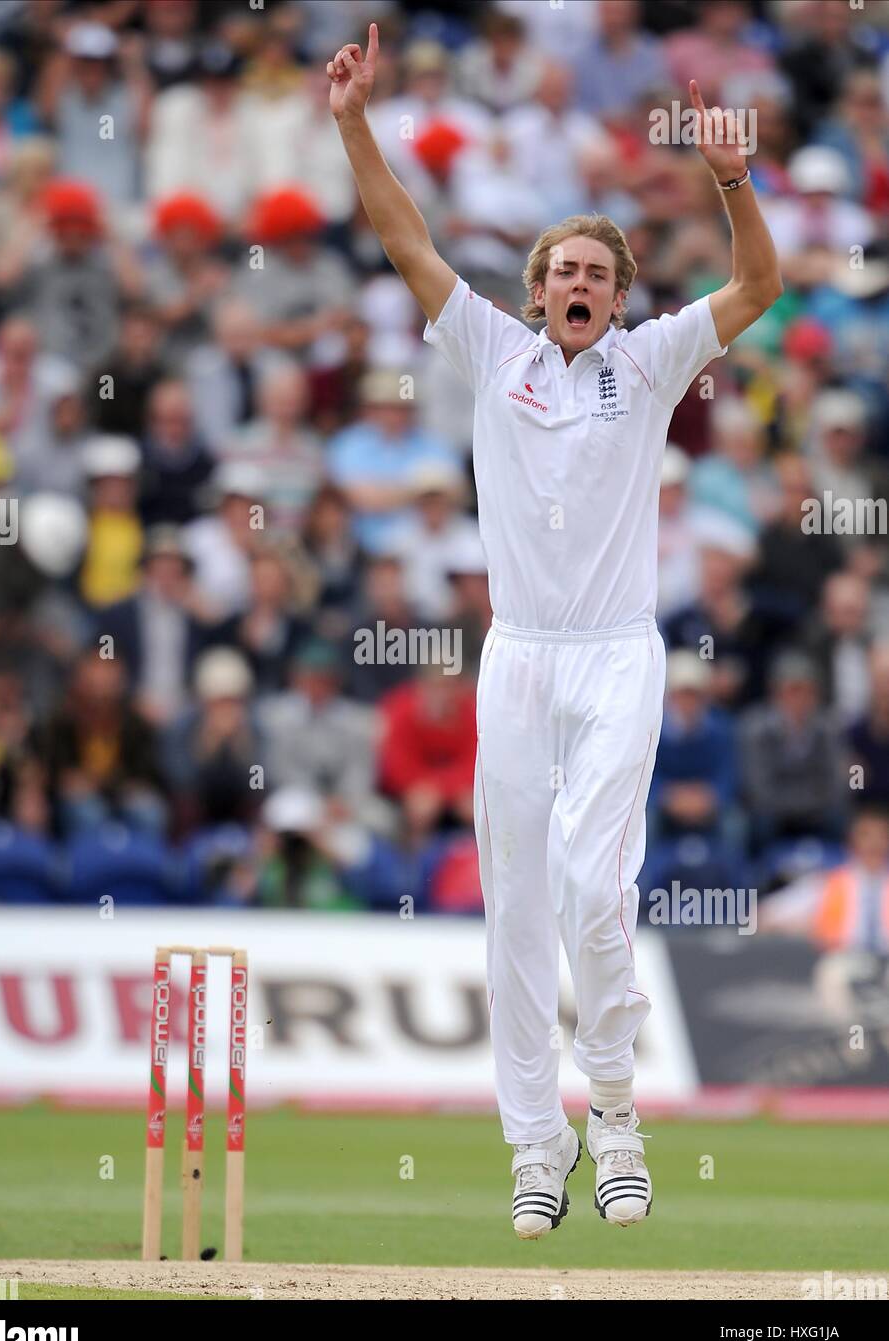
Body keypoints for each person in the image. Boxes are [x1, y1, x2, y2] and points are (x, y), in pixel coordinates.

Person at [329, 23, 783, 1239]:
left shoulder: (645, 362)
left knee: (595, 885)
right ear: (536, 291)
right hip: (518, 658)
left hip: (615, 651)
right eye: (562, 273)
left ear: (618, 296)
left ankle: (619, 1114)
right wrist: (353, 123)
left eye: (596, 273)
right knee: (517, 908)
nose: (577, 287)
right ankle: (538, 1146)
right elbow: (402, 238)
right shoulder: (490, 351)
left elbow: (754, 289)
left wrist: (730, 180)